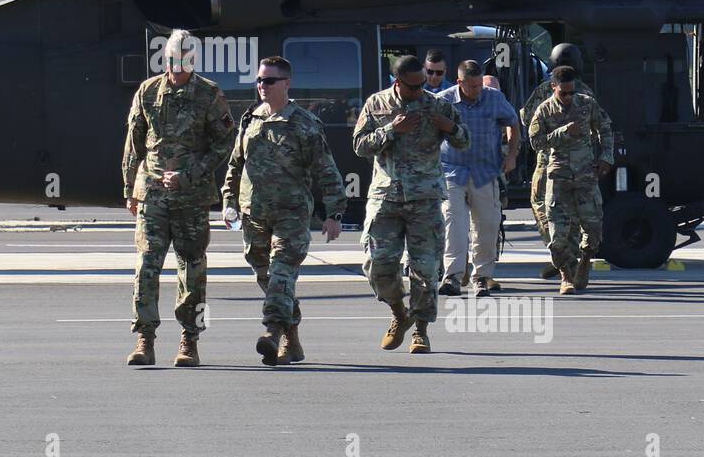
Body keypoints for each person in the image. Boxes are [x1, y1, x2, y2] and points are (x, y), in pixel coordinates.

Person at [222, 55, 347, 366]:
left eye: (269, 80)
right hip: (254, 214)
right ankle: (292, 337)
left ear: (286, 83)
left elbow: (326, 171)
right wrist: (228, 201)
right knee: (264, 273)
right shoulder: (250, 119)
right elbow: (236, 165)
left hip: (291, 215)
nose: (262, 86)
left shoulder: (304, 123)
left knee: (281, 273)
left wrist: (334, 214)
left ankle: (273, 333)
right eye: (260, 80)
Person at [122, 29, 236, 367]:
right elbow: (134, 143)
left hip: (192, 197)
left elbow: (225, 142)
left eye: (184, 60)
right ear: (165, 58)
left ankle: (191, 339)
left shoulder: (209, 95)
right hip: (153, 195)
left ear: (193, 60)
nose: (177, 67)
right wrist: (130, 190)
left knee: (194, 268)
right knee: (146, 265)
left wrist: (192, 173)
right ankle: (145, 338)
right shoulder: (148, 91)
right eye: (172, 59)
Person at [353, 55, 469, 353]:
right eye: (414, 86)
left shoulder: (437, 105)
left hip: (425, 197)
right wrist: (392, 129)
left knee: (426, 268)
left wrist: (451, 128)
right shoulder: (377, 104)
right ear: (398, 82)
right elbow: (360, 145)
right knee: (377, 264)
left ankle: (420, 329)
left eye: (423, 85)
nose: (421, 90)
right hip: (386, 197)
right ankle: (398, 313)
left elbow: (465, 140)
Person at [436, 61, 520, 298]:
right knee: (454, 224)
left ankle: (481, 277)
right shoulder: (443, 101)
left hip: (485, 172)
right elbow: (429, 132)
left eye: (479, 85)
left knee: (487, 226)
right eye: (472, 86)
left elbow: (513, 122)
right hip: (452, 171)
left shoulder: (494, 98)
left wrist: (511, 155)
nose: (477, 90)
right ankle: (452, 276)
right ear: (459, 82)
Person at [528, 66, 613, 294]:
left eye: (571, 92)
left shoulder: (586, 104)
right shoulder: (544, 111)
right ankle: (565, 276)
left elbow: (605, 128)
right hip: (558, 178)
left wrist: (606, 156)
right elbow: (535, 142)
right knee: (557, 237)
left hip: (585, 176)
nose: (567, 97)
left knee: (593, 228)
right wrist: (563, 132)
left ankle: (584, 261)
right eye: (563, 93)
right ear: (553, 87)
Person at [522, 43, 595, 281]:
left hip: (547, 161)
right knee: (572, 213)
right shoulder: (584, 92)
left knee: (543, 207)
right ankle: (566, 256)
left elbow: (527, 118)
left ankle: (561, 255)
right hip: (578, 161)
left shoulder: (547, 89)